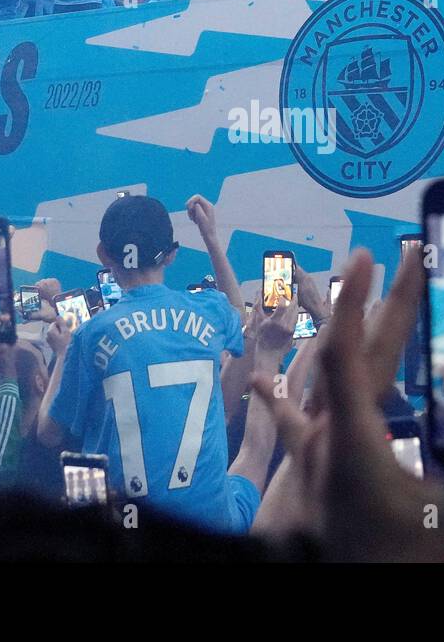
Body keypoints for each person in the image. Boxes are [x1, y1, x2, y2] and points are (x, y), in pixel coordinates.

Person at [37, 194, 281, 534]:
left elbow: (48, 432)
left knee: (80, 484)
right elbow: (239, 319)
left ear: (103, 255)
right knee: (253, 456)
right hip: (210, 526)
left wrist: (63, 353)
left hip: (126, 528)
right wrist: (211, 237)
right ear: (171, 255)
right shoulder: (210, 311)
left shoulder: (90, 335)